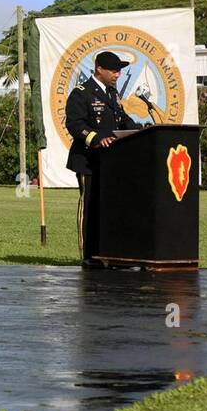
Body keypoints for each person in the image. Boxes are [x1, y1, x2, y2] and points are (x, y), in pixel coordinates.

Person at [64, 50, 139, 266]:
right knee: (91, 207)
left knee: (111, 208)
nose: (118, 75)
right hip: (88, 160)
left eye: (119, 71)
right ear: (100, 69)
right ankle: (89, 256)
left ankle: (111, 253)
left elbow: (122, 119)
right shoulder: (81, 92)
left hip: (111, 162)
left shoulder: (113, 93)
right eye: (114, 71)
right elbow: (75, 124)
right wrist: (97, 139)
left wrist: (143, 130)